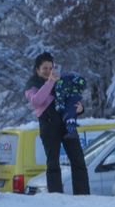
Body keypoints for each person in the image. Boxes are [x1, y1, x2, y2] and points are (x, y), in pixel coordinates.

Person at [25, 52, 90, 195]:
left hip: (67, 125)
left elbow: (71, 98)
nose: (48, 71)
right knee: (53, 162)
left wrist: (80, 109)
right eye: (45, 68)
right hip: (49, 126)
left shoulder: (61, 80)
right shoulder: (32, 84)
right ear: (37, 69)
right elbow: (37, 101)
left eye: (51, 68)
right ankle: (56, 195)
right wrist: (50, 82)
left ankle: (83, 195)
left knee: (78, 160)